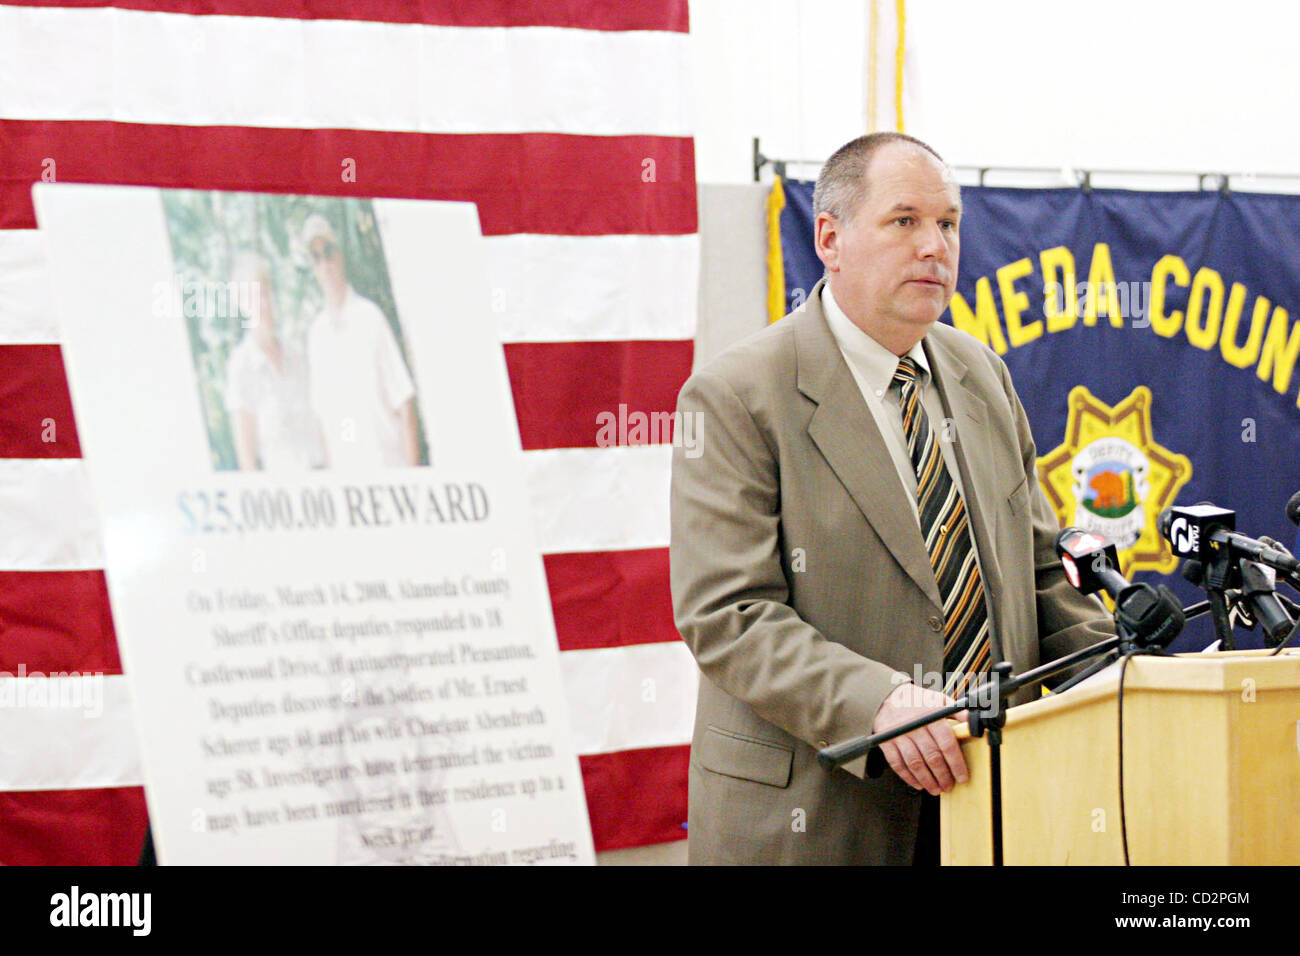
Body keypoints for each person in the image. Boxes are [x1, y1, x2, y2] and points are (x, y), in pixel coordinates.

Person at [669, 132, 1115, 865]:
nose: (934, 247)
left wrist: (1125, 676)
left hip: (994, 804)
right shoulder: (734, 397)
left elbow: (1039, 575)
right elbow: (728, 614)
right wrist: (877, 703)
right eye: (904, 220)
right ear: (830, 239)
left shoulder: (983, 376)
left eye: (948, 223)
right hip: (818, 813)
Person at [301, 214, 421, 469]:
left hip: (391, 473)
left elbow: (405, 403)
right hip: (350, 487)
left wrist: (415, 483)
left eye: (329, 252)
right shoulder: (316, 337)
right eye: (316, 257)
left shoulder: (370, 317)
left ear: (340, 256)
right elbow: (322, 422)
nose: (325, 263)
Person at [225, 250, 322, 471]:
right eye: (254, 296)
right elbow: (247, 461)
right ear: (241, 304)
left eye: (266, 294)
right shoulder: (241, 367)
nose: (263, 303)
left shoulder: (295, 356)